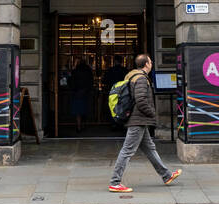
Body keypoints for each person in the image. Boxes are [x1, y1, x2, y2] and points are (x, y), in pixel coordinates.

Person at [108, 54, 182, 193]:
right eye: (150, 61)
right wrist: (152, 113)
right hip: (138, 120)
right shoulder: (141, 79)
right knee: (127, 151)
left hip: (139, 120)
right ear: (146, 64)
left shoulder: (132, 76)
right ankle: (115, 182)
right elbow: (141, 100)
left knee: (150, 148)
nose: (152, 63)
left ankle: (166, 175)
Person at [70, 55, 94, 132]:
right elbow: (91, 81)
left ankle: (79, 126)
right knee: (85, 110)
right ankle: (83, 125)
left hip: (77, 92)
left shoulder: (76, 70)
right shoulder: (88, 70)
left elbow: (71, 80)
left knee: (78, 111)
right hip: (86, 92)